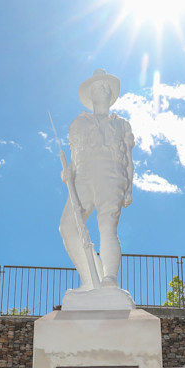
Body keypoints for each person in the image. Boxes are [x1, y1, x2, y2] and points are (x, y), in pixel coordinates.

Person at [59, 69, 135, 290]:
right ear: (90, 94)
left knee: (107, 226)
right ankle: (91, 280)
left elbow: (129, 159)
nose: (103, 88)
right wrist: (68, 173)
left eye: (106, 85)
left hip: (112, 174)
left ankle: (109, 278)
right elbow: (74, 155)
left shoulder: (122, 124)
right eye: (98, 85)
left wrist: (129, 187)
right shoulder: (78, 124)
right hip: (83, 176)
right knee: (68, 226)